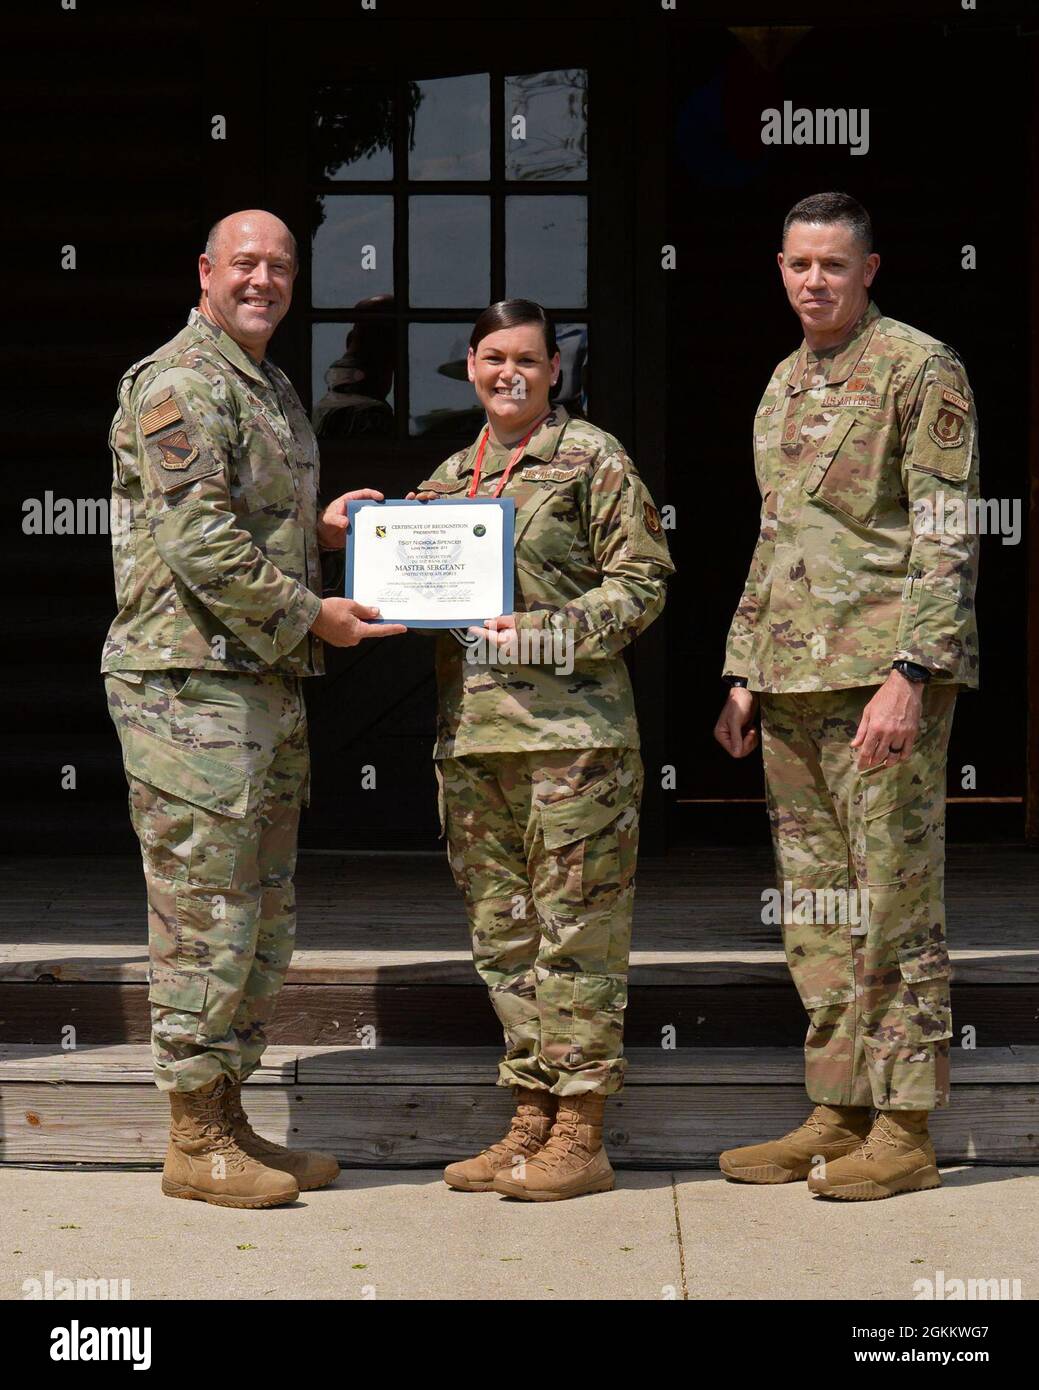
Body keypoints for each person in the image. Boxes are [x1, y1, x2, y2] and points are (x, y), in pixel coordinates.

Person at [102, 209, 405, 1208]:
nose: (263, 279)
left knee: (257, 913)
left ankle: (229, 1118)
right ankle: (193, 1137)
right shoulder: (179, 382)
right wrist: (312, 613)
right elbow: (201, 547)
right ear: (205, 271)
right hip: (191, 690)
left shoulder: (267, 386)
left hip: (252, 685)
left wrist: (317, 529)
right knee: (205, 913)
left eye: (279, 266)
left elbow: (246, 524)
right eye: (245, 263)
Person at [714, 192, 980, 1200]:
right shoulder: (783, 382)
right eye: (797, 265)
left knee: (893, 901)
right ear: (779, 269)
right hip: (789, 683)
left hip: (878, 679)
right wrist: (743, 668)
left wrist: (912, 672)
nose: (813, 281)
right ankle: (835, 1106)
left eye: (833, 265)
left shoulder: (919, 366)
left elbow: (944, 531)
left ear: (870, 269)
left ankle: (904, 1124)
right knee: (819, 906)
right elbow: (776, 533)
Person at [410, 299, 674, 1201]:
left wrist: (542, 631)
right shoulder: (451, 477)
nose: (507, 372)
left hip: (575, 742)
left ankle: (581, 1130)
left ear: (553, 369)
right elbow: (411, 580)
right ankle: (528, 1116)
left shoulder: (593, 459)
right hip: (474, 740)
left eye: (526, 357)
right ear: (472, 367)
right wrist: (375, 542)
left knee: (578, 936)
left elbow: (643, 584)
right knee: (504, 937)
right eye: (491, 358)